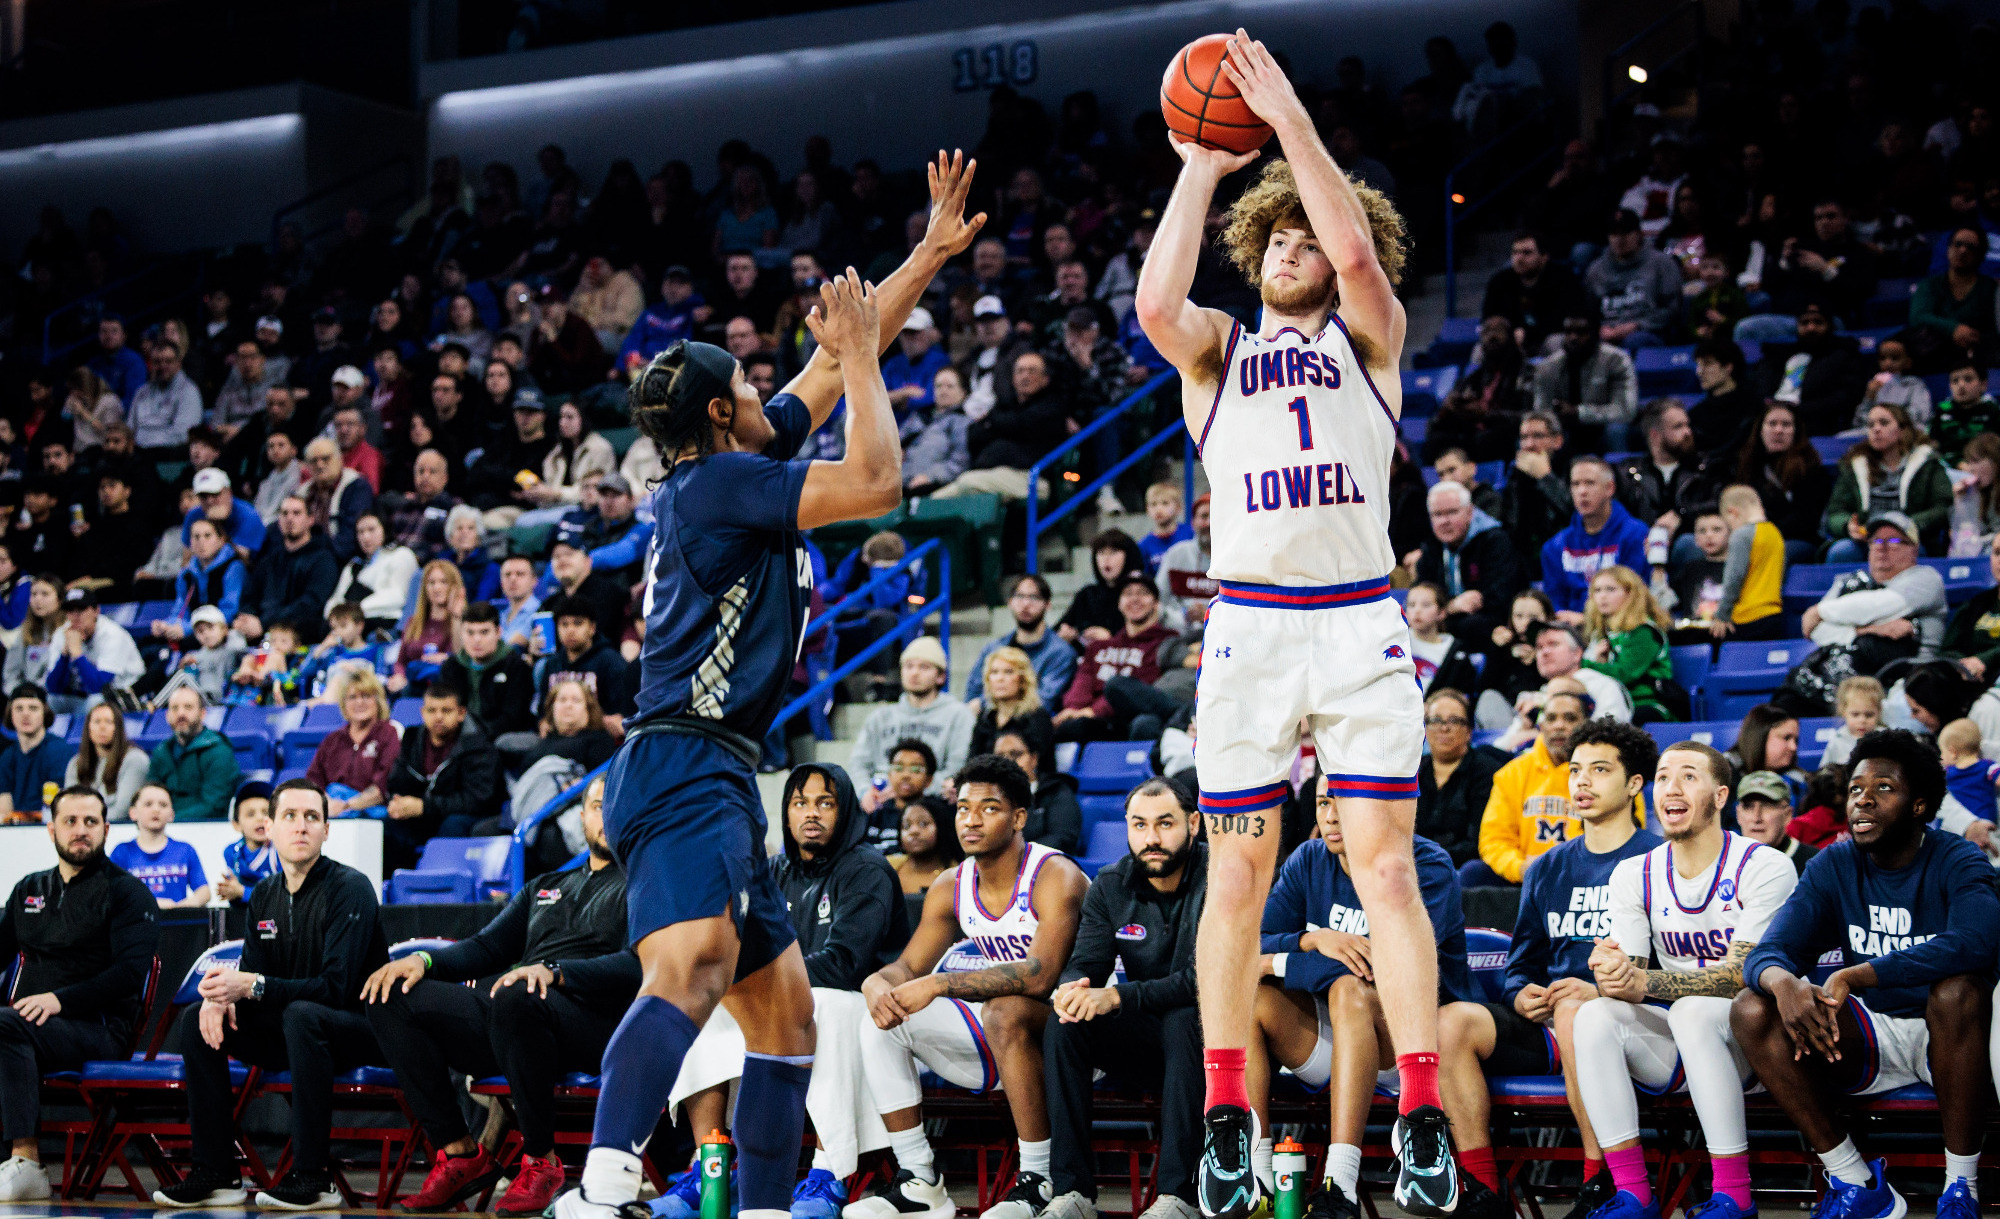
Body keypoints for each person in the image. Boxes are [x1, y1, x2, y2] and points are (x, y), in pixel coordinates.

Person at [558, 154, 987, 1219]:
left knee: (786, 1018)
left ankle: (754, 1208)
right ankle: (600, 1183)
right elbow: (880, 478)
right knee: (696, 964)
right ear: (717, 415)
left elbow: (839, 361)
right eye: (748, 386)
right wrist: (860, 361)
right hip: (685, 756)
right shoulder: (727, 484)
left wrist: (927, 253)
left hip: (703, 760)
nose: (768, 390)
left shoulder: (723, 461)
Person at [1133, 32, 1458, 1214]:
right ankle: (1229, 1105)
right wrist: (1203, 167)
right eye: (1275, 235)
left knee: (1384, 872)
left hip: (1359, 625)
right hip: (1252, 628)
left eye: (1305, 237)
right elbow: (1153, 301)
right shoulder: (1217, 354)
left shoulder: (1368, 343)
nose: (1293, 247)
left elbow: (1363, 247)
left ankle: (1416, 1108)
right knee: (1237, 870)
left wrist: (1295, 131)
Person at [1734, 729, 1995, 1219]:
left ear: (1920, 806)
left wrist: (1859, 974)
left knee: (1957, 991)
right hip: (1874, 1033)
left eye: (1883, 789)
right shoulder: (1834, 864)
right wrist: (1783, 982)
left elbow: (1976, 943)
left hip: (1959, 1033)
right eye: (1855, 789)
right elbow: (1767, 952)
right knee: (1752, 1007)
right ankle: (1856, 1180)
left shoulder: (1958, 858)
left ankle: (1961, 1187)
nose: (1863, 801)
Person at [363, 774, 637, 1217]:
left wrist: (556, 973)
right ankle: (458, 1153)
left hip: (598, 1028)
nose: (607, 815)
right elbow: (488, 948)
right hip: (520, 1020)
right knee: (391, 995)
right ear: (582, 816)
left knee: (515, 993)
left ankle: (541, 1160)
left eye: (619, 804)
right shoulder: (547, 885)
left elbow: (640, 966)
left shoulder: (646, 885)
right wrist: (425, 962)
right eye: (598, 805)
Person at [657, 761, 915, 1219]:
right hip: (787, 1001)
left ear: (847, 811)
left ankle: (831, 1172)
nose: (810, 813)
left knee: (825, 1006)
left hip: (861, 1005)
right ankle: (712, 1166)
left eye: (824, 803)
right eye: (799, 803)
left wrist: (754, 980)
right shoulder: (771, 872)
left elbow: (845, 965)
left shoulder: (868, 870)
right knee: (703, 1009)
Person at [842, 754, 1088, 1219]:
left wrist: (940, 984)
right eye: (963, 808)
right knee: (881, 1017)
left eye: (989, 808)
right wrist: (877, 984)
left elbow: (1040, 976)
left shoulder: (1056, 875)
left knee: (1006, 1009)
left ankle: (1039, 1178)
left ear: (1019, 817)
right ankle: (920, 1180)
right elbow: (908, 966)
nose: (971, 819)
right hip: (998, 1028)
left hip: (1075, 1028)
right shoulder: (950, 885)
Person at [1440, 719, 1663, 1219]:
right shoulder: (1546, 866)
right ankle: (1482, 1191)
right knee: (1451, 1022)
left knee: (1575, 1009)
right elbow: (1522, 965)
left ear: (1633, 785)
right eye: (1576, 770)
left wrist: (1596, 990)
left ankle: (1598, 1180)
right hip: (1551, 1021)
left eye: (1600, 771)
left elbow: (1670, 965)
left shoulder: (1657, 859)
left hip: (1634, 1022)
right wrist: (1520, 993)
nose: (1581, 782)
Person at [1571, 740, 1799, 1219]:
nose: (1671, 787)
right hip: (1685, 1045)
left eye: (1689, 776)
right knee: (1592, 1015)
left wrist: (1644, 983)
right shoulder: (1634, 873)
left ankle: (1735, 1196)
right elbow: (1628, 972)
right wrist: (1610, 969)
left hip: (1762, 1046)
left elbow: (1743, 975)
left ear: (1720, 797)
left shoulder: (1765, 866)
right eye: (1663, 776)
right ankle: (1633, 1194)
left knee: (1695, 1012)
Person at [152, 780, 391, 1211]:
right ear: (270, 828)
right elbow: (253, 979)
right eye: (290, 817)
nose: (301, 827)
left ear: (326, 830)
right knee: (197, 1019)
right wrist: (221, 998)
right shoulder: (263, 894)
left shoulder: (350, 888)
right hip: (293, 1030)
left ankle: (314, 1178)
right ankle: (217, 1172)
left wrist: (251, 985)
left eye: (312, 818)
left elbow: (336, 990)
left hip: (358, 1031)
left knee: (304, 1013)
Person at [1249, 774, 1473, 1219]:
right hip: (1336, 1038)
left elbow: (1385, 966)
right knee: (1249, 999)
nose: (1331, 817)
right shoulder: (1309, 859)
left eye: (1343, 804)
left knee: (1351, 987)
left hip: (1410, 1045)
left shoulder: (1424, 865)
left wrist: (1288, 962)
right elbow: (1251, 951)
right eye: (1322, 803)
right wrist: (1313, 941)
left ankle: (1341, 1183)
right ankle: (1257, 1178)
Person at [1043, 778, 1208, 1219]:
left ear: (1193, 824)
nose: (1151, 838)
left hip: (1218, 1041)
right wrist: (1073, 988)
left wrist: (1116, 996)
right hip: (1145, 1035)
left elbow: (1206, 981)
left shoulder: (1221, 878)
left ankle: (1179, 1196)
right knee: (1064, 1024)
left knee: (1185, 1017)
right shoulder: (1111, 884)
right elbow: (1087, 962)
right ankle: (1071, 1192)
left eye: (1165, 823)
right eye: (1139, 825)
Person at [0, 786, 159, 1203]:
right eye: (70, 821)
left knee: (5, 1025)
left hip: (100, 1030)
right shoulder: (28, 890)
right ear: (51, 829)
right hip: (28, 1028)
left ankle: (27, 1162)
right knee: (8, 1026)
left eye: (90, 822)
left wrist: (60, 1000)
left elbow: (129, 974)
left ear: (106, 829)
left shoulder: (127, 893)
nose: (80, 831)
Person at [1780, 512, 1950, 715]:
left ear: (1913, 549)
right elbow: (1817, 631)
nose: (1881, 547)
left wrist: (1821, 611)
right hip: (1834, 680)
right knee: (1782, 707)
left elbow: (1880, 604)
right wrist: (1867, 629)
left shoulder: (1926, 579)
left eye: (1893, 540)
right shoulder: (1850, 582)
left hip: (1901, 684)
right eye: (1875, 540)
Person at [1469, 685, 1605, 886]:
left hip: (1586, 880)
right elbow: (1494, 840)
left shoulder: (1606, 773)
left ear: (1586, 725)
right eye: (1551, 718)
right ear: (1541, 726)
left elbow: (1620, 836)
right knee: (1474, 873)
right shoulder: (1512, 773)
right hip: (1525, 878)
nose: (1559, 725)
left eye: (1569, 718)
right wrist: (1521, 868)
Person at [1055, 574, 1179, 743]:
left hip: (1129, 717)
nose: (1135, 599)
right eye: (1128, 593)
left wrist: (1091, 712)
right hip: (1093, 719)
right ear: (1119, 604)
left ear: (1156, 604)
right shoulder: (1098, 647)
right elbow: (1082, 682)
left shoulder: (1165, 643)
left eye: (1143, 593)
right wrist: (1073, 709)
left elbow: (1143, 687)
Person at [1824, 404, 1953, 559]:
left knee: (1910, 551)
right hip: (1867, 538)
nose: (1876, 429)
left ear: (1902, 429)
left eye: (1884, 423)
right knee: (1841, 552)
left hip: (1909, 538)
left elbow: (1942, 508)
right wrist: (1848, 526)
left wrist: (1906, 525)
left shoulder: (1927, 463)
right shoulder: (1855, 465)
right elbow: (1835, 512)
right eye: (1871, 425)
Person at [849, 636, 974, 794]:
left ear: (941, 676)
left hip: (932, 802)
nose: (914, 673)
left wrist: (906, 790)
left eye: (924, 667)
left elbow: (957, 768)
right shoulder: (880, 717)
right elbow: (858, 764)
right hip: (880, 801)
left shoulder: (959, 715)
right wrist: (865, 791)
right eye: (909, 666)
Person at [1405, 480, 1518, 642]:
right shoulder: (1431, 547)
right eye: (1437, 515)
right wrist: (1452, 606)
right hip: (1446, 618)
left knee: (1473, 625)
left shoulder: (1495, 541)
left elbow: (1500, 597)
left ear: (1470, 512)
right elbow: (1423, 590)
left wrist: (1447, 609)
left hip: (1489, 622)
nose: (1444, 521)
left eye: (1452, 512)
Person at [1542, 458, 1650, 622]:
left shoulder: (1635, 535)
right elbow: (1554, 601)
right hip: (1570, 634)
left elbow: (1635, 597)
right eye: (1575, 484)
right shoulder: (1555, 546)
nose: (1582, 491)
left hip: (1622, 628)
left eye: (1590, 483)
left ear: (1610, 488)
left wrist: (1587, 621)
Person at [1415, 688, 1508, 868]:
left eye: (1454, 721)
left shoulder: (1489, 772)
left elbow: (1478, 842)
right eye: (1435, 720)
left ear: (1469, 730)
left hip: (1461, 866)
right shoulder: (1412, 771)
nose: (1444, 728)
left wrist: (1427, 859)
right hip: (1414, 863)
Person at [964, 574, 1077, 708]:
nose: (1026, 604)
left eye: (1034, 597)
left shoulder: (1061, 653)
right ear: (1010, 603)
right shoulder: (994, 649)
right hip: (991, 724)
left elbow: (1042, 703)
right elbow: (971, 696)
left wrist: (985, 702)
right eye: (1020, 596)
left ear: (1047, 605)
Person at [1580, 567, 1676, 722]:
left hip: (1647, 704)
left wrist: (1581, 663)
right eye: (1597, 590)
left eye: (1611, 589)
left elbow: (1625, 674)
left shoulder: (1643, 632)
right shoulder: (1602, 633)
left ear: (1631, 594)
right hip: (1610, 704)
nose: (1602, 596)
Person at [305, 669, 400, 819]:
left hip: (372, 814)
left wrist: (347, 805)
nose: (359, 702)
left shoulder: (388, 733)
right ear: (344, 704)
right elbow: (314, 780)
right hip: (332, 811)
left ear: (378, 700)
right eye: (352, 697)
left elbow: (384, 785)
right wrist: (328, 804)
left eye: (366, 696)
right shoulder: (333, 739)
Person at [145, 685, 241, 822]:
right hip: (162, 828)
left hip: (205, 830)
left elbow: (214, 805)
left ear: (203, 713)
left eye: (188, 707)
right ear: (167, 716)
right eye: (175, 708)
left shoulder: (219, 751)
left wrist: (171, 819)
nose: (181, 714)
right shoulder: (161, 752)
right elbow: (150, 795)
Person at [46, 586, 144, 715]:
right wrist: (64, 655)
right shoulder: (62, 634)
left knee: (96, 702)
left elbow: (100, 687)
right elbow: (53, 688)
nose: (75, 616)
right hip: (84, 697)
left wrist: (77, 653)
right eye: (70, 610)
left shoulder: (113, 634)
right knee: (53, 700)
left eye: (81, 609)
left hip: (123, 695)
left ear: (96, 611)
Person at [1482, 231, 1585, 353]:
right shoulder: (1499, 281)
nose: (1519, 258)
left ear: (1544, 257)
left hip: (1547, 338)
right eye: (1515, 252)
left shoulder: (1563, 278)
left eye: (1527, 253)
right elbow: (1489, 317)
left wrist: (1528, 333)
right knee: (1481, 349)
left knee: (1557, 342)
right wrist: (1508, 334)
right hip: (1512, 341)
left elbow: (1567, 319)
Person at [109, 784, 211, 908]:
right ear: (133, 813)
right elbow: (111, 895)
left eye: (163, 805)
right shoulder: (122, 852)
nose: (156, 810)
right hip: (136, 924)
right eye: (148, 804)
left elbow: (204, 892)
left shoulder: (185, 850)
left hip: (176, 923)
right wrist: (153, 905)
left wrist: (180, 907)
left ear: (171, 814)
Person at [991, 727, 1084, 855]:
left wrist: (1014, 855)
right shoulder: (986, 797)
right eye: (999, 757)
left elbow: (1063, 838)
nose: (1007, 762)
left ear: (1034, 759)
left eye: (1015, 754)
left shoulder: (1055, 791)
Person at [969, 646, 1055, 775]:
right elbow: (972, 761)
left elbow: (1042, 768)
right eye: (994, 672)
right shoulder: (986, 718)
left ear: (1022, 680)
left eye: (1008, 672)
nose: (1000, 678)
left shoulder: (1037, 717)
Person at [0, 684, 74, 821]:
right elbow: (4, 808)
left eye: (33, 708)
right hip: (15, 830)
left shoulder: (58, 750)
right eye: (19, 708)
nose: (25, 714)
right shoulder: (7, 756)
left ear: (45, 712)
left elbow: (59, 806)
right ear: (10, 713)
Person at [65, 701, 149, 821]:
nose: (102, 727)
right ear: (88, 728)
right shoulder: (75, 764)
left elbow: (122, 811)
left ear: (118, 728)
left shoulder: (135, 760)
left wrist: (88, 823)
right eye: (97, 722)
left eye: (109, 722)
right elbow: (69, 807)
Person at [1733, 771, 1816, 874]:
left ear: (1787, 815)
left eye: (1767, 806)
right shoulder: (1723, 863)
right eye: (1749, 806)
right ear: (1738, 815)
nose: (1756, 818)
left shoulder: (1814, 864)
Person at [128, 340, 204, 454]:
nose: (162, 366)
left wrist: (145, 440)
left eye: (168, 361)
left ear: (179, 363)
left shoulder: (189, 391)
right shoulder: (141, 392)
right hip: (139, 455)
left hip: (170, 456)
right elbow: (130, 429)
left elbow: (183, 435)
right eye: (157, 362)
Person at [216, 781, 278, 903]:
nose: (260, 818)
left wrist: (242, 891)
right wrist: (228, 890)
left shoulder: (279, 852)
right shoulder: (231, 852)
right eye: (250, 814)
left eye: (266, 813)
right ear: (236, 825)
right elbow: (233, 890)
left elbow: (281, 897)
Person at [894, 798, 961, 895]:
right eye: (907, 826)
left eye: (923, 824)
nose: (914, 831)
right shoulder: (889, 867)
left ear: (941, 827)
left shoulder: (957, 875)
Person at [1821, 675, 1884, 769]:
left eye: (1869, 715)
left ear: (1879, 711)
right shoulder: (1837, 742)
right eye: (1855, 714)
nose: (1862, 720)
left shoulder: (1885, 740)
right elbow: (1825, 774)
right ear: (1843, 712)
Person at [1138, 480, 1193, 576]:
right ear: (1147, 509)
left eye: (1165, 503)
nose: (1158, 509)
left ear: (1178, 507)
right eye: (1153, 504)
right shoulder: (1144, 545)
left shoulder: (1190, 534)